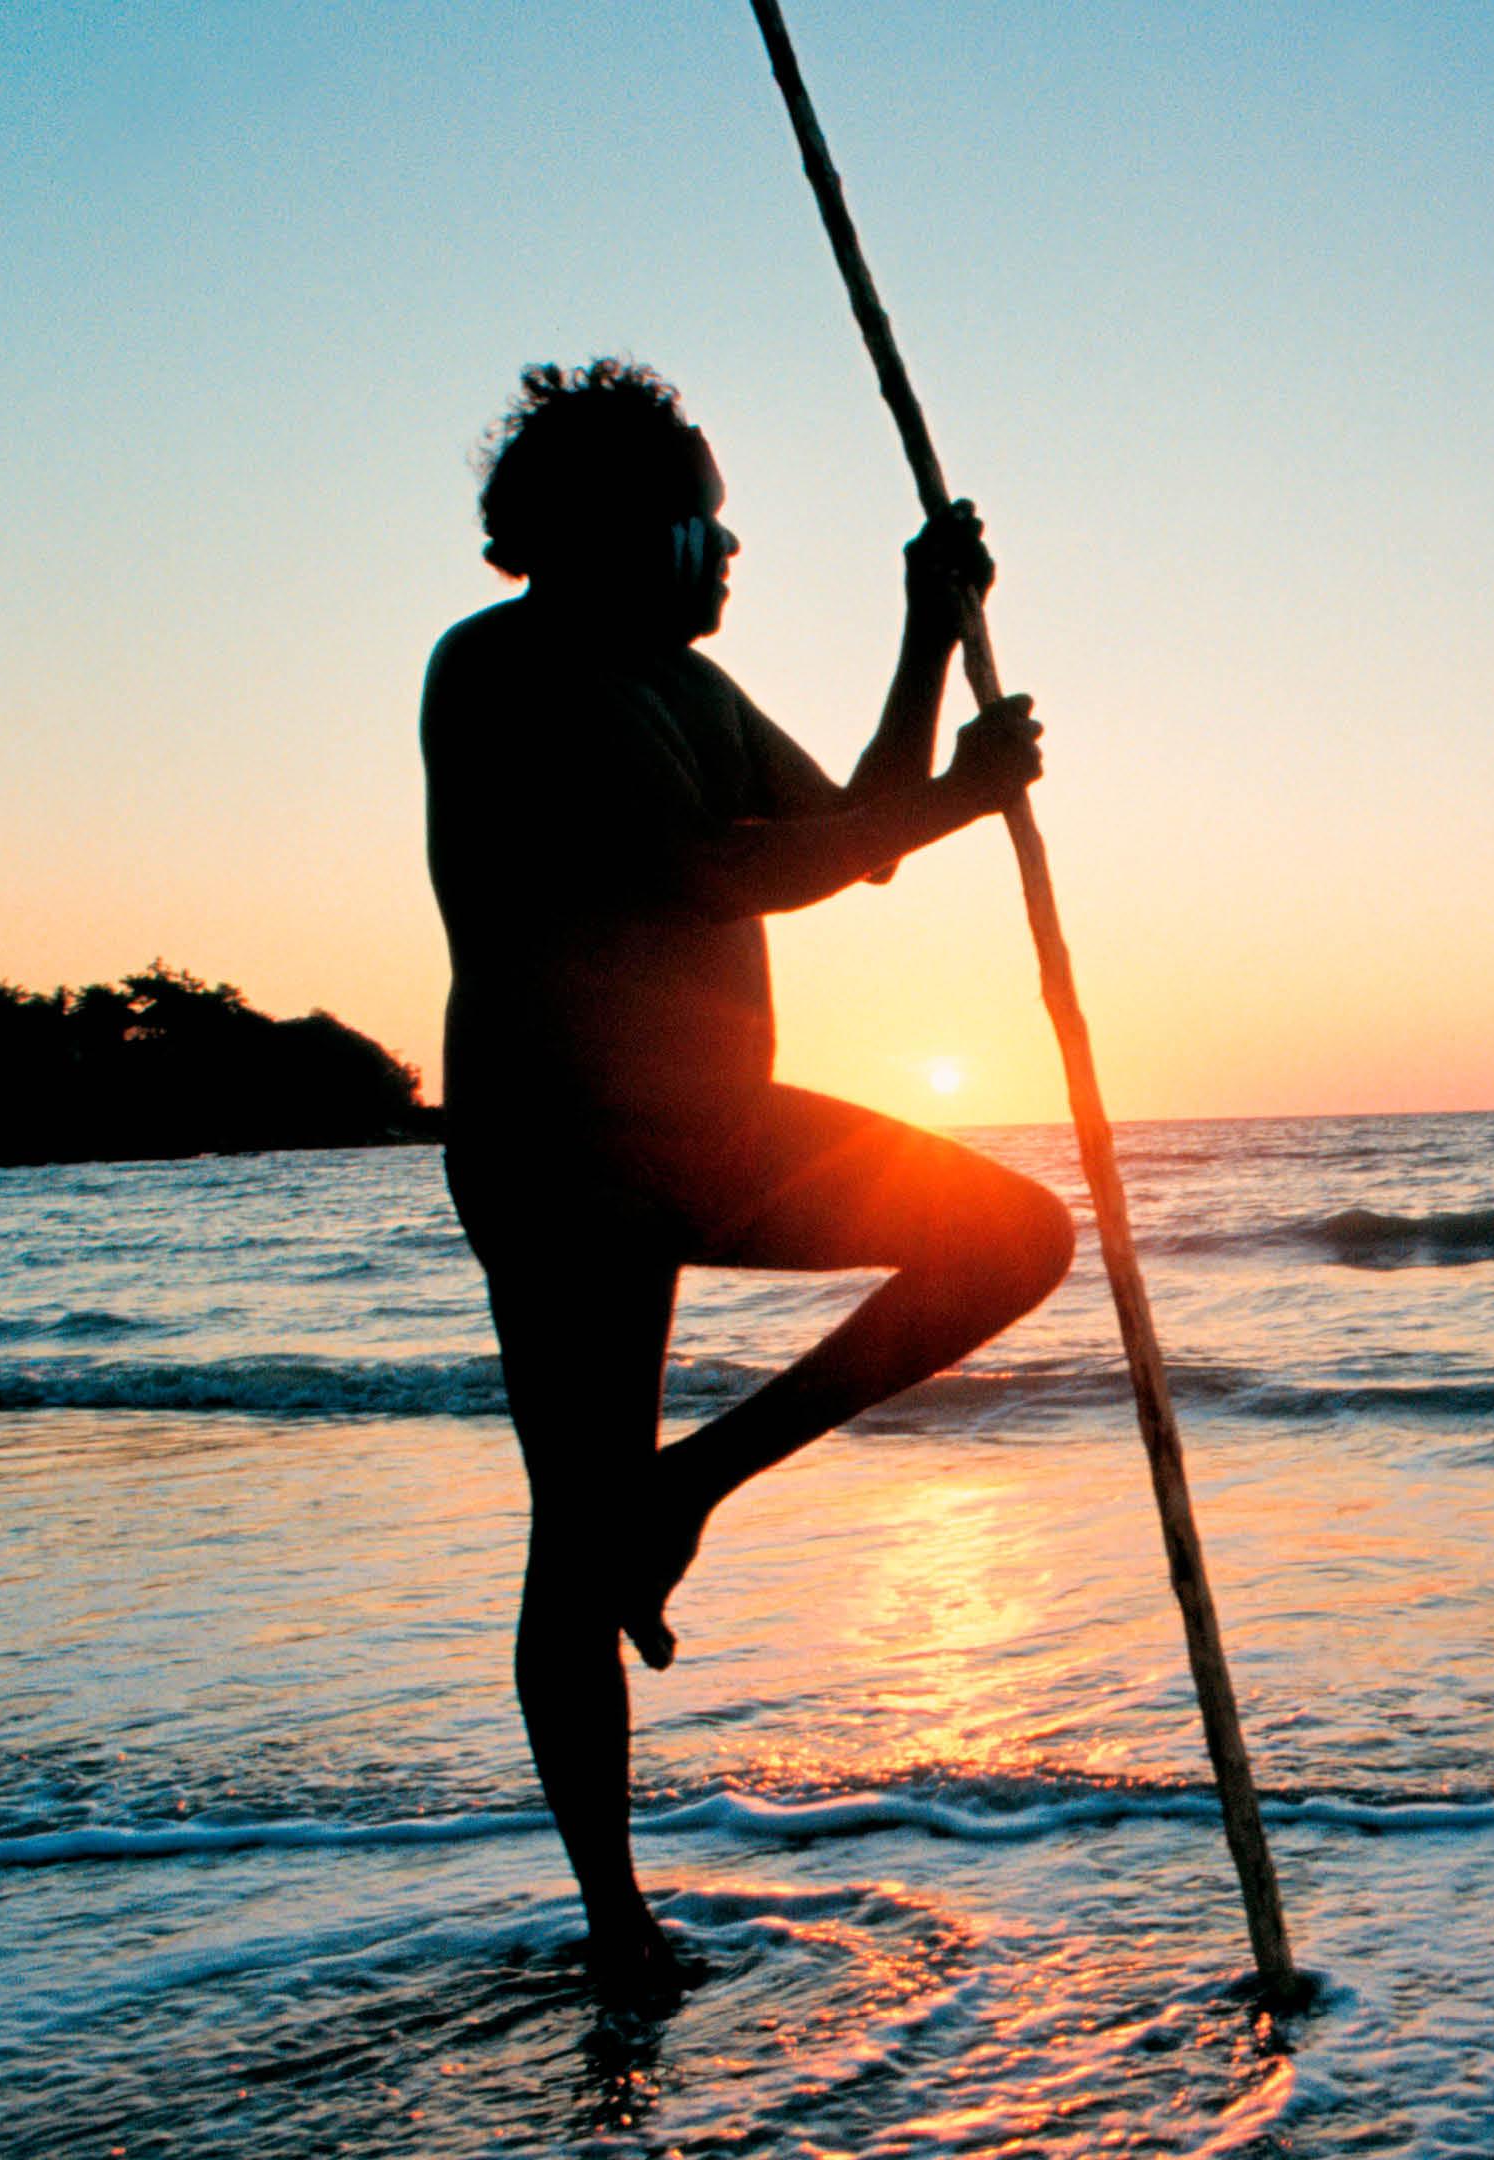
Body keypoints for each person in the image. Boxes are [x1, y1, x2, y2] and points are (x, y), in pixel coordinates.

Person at [421, 358, 1073, 1994]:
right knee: (571, 1543)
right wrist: (954, 794)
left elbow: (855, 826)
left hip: (711, 1131)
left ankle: (692, 1484)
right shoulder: (503, 673)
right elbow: (708, 871)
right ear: (603, 530)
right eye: (702, 517)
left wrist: (925, 634)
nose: (728, 549)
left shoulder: (690, 690)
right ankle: (617, 1922)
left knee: (1011, 1236)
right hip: (563, 1150)